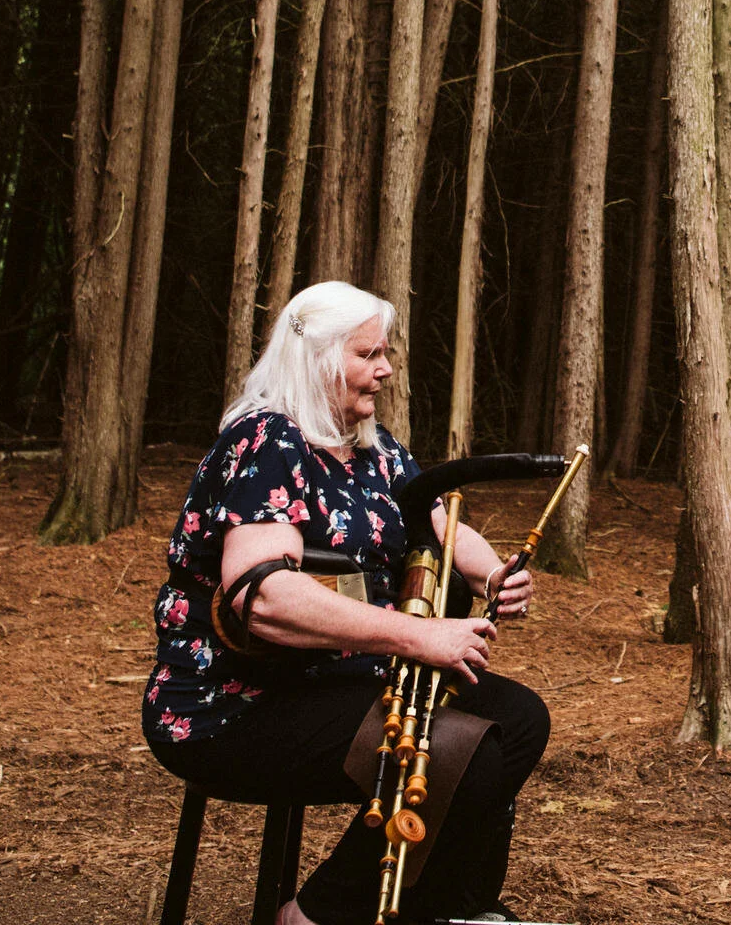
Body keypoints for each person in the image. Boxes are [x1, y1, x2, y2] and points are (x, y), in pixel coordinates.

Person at [141, 280, 547, 925]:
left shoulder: (373, 448)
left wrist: (493, 573)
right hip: (238, 703)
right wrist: (418, 636)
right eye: (368, 355)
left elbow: (438, 521)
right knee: (459, 749)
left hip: (339, 684)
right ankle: (318, 916)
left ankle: (449, 910)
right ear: (319, 358)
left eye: (385, 354)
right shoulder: (268, 442)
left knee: (518, 717)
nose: (385, 370)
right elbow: (264, 598)